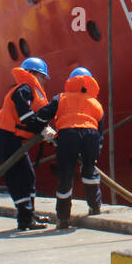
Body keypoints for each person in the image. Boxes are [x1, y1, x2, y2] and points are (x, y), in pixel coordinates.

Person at [0, 57, 59, 230]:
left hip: (12, 139)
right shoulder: (23, 90)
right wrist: (42, 128)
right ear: (33, 74)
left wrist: (45, 130)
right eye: (42, 76)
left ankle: (29, 215)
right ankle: (25, 219)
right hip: (7, 138)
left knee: (28, 176)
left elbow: (30, 119)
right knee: (20, 178)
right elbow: (26, 117)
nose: (45, 80)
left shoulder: (27, 90)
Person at [51, 67, 105, 229]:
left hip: (67, 136)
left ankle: (63, 218)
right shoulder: (95, 103)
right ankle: (95, 207)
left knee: (66, 176)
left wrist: (44, 130)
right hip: (90, 136)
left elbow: (45, 113)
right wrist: (97, 149)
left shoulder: (61, 98)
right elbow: (99, 130)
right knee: (90, 172)